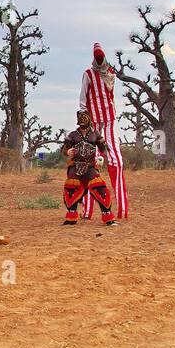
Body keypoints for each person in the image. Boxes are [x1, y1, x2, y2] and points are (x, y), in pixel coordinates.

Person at [78, 42, 127, 219]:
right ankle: (87, 211)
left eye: (101, 58)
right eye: (97, 58)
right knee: (88, 162)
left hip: (110, 122)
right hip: (93, 124)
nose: (99, 61)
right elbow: (83, 102)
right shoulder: (88, 74)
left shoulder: (110, 73)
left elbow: (110, 96)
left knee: (116, 161)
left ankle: (122, 209)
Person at [60, 109, 117, 227]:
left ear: (89, 118)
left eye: (84, 117)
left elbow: (103, 149)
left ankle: (107, 215)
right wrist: (68, 151)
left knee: (99, 186)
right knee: (71, 186)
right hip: (76, 165)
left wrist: (101, 158)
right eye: (80, 117)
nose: (82, 120)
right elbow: (64, 150)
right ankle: (71, 216)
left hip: (90, 165)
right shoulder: (73, 135)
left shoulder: (95, 134)